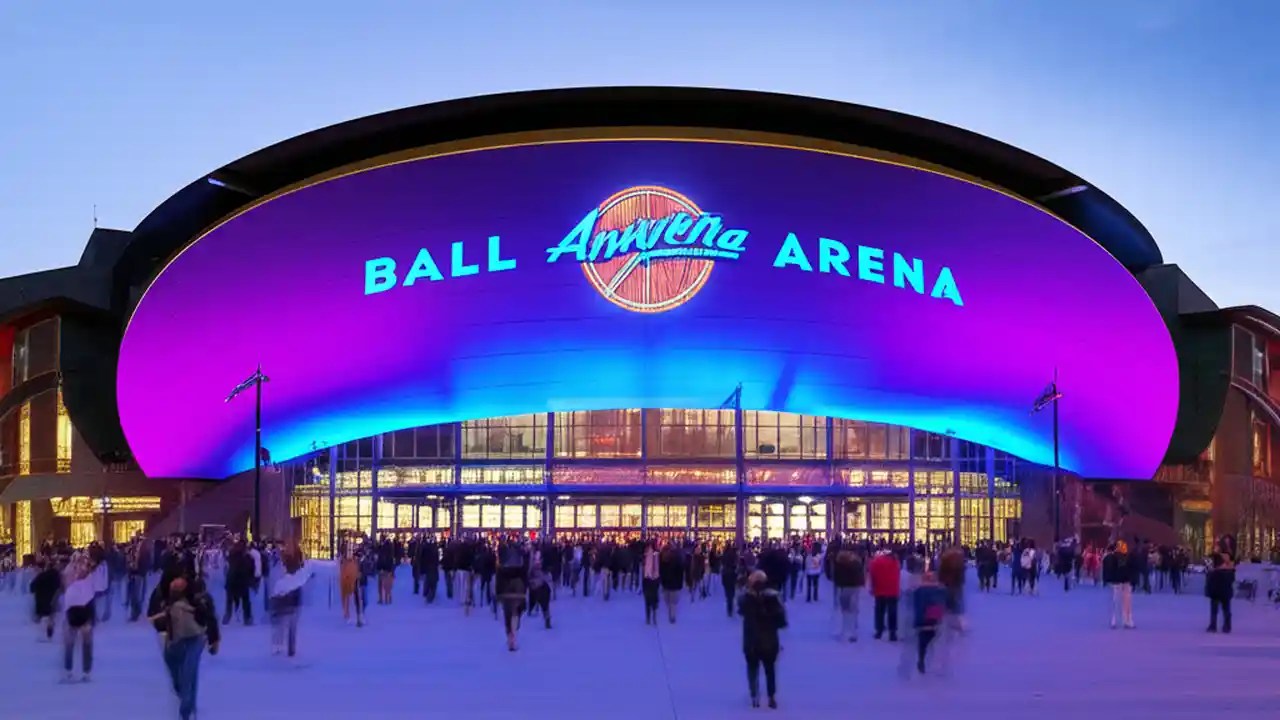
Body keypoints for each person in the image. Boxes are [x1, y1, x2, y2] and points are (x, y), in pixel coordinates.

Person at [738, 570, 787, 709]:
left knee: (752, 668)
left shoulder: (747, 598)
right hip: (769, 640)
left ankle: (754, 695)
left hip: (751, 640)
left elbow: (740, 610)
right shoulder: (773, 598)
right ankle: (771, 696)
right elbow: (782, 622)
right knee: (770, 669)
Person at [61, 559, 97, 683]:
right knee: (81, 645)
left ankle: (73, 672)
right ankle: (81, 672)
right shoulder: (87, 584)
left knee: (72, 645)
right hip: (81, 616)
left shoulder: (73, 585)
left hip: (76, 616)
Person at [908, 571, 948, 675]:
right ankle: (936, 663)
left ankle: (921, 659)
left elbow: (914, 605)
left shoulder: (918, 591)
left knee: (922, 641)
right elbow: (944, 604)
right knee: (934, 639)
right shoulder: (940, 591)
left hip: (922, 620)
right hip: (935, 619)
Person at [495, 544, 528, 651]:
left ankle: (510, 636)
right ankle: (513, 634)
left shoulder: (502, 567)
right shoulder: (521, 567)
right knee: (516, 614)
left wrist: (498, 594)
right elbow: (525, 579)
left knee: (507, 616)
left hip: (506, 594)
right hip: (518, 593)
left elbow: (498, 582)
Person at [868, 549, 901, 642]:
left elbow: (872, 575)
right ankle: (892, 633)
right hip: (892, 590)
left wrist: (872, 587)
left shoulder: (875, 562)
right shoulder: (895, 562)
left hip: (880, 589)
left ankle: (879, 631)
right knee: (892, 612)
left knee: (879, 611)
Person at [833, 548, 865, 642]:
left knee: (845, 610)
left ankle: (844, 632)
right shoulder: (856, 564)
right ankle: (853, 631)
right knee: (853, 610)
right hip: (855, 588)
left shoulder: (839, 564)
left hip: (844, 588)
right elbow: (860, 576)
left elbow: (836, 577)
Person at [1103, 541, 1135, 629]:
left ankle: (1115, 620)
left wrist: (1108, 579)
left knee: (1116, 600)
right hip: (1125, 581)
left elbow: (1108, 569)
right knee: (1126, 601)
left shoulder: (1111, 557)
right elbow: (1132, 570)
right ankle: (1127, 620)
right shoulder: (1128, 557)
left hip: (1117, 581)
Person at [31, 558, 61, 641]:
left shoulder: (41, 575)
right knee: (51, 616)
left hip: (40, 599)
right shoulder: (56, 575)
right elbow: (59, 587)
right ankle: (49, 632)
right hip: (52, 599)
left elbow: (32, 587)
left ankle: (42, 634)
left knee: (42, 617)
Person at [1205, 550, 1235, 633]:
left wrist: (1208, 591)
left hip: (1216, 592)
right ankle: (1227, 626)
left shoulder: (1214, 570)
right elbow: (1232, 580)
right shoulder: (1230, 570)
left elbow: (1210, 581)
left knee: (1214, 610)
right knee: (1226, 610)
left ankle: (1213, 626)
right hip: (1226, 592)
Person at [659, 544, 685, 624]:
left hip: (666, 583)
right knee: (673, 602)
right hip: (674, 583)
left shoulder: (662, 560)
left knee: (668, 601)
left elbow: (661, 572)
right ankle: (672, 616)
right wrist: (680, 584)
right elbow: (680, 572)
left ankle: (671, 613)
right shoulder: (676, 559)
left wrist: (662, 582)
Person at [339, 549, 363, 626]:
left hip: (353, 583)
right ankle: (348, 613)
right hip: (349, 582)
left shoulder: (354, 564)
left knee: (352, 598)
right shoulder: (350, 563)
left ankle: (353, 614)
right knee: (348, 597)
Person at [642, 541, 661, 625]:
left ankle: (648, 617)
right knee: (654, 598)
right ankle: (653, 617)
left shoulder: (647, 555)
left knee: (648, 600)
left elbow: (645, 568)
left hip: (648, 579)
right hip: (654, 579)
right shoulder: (656, 554)